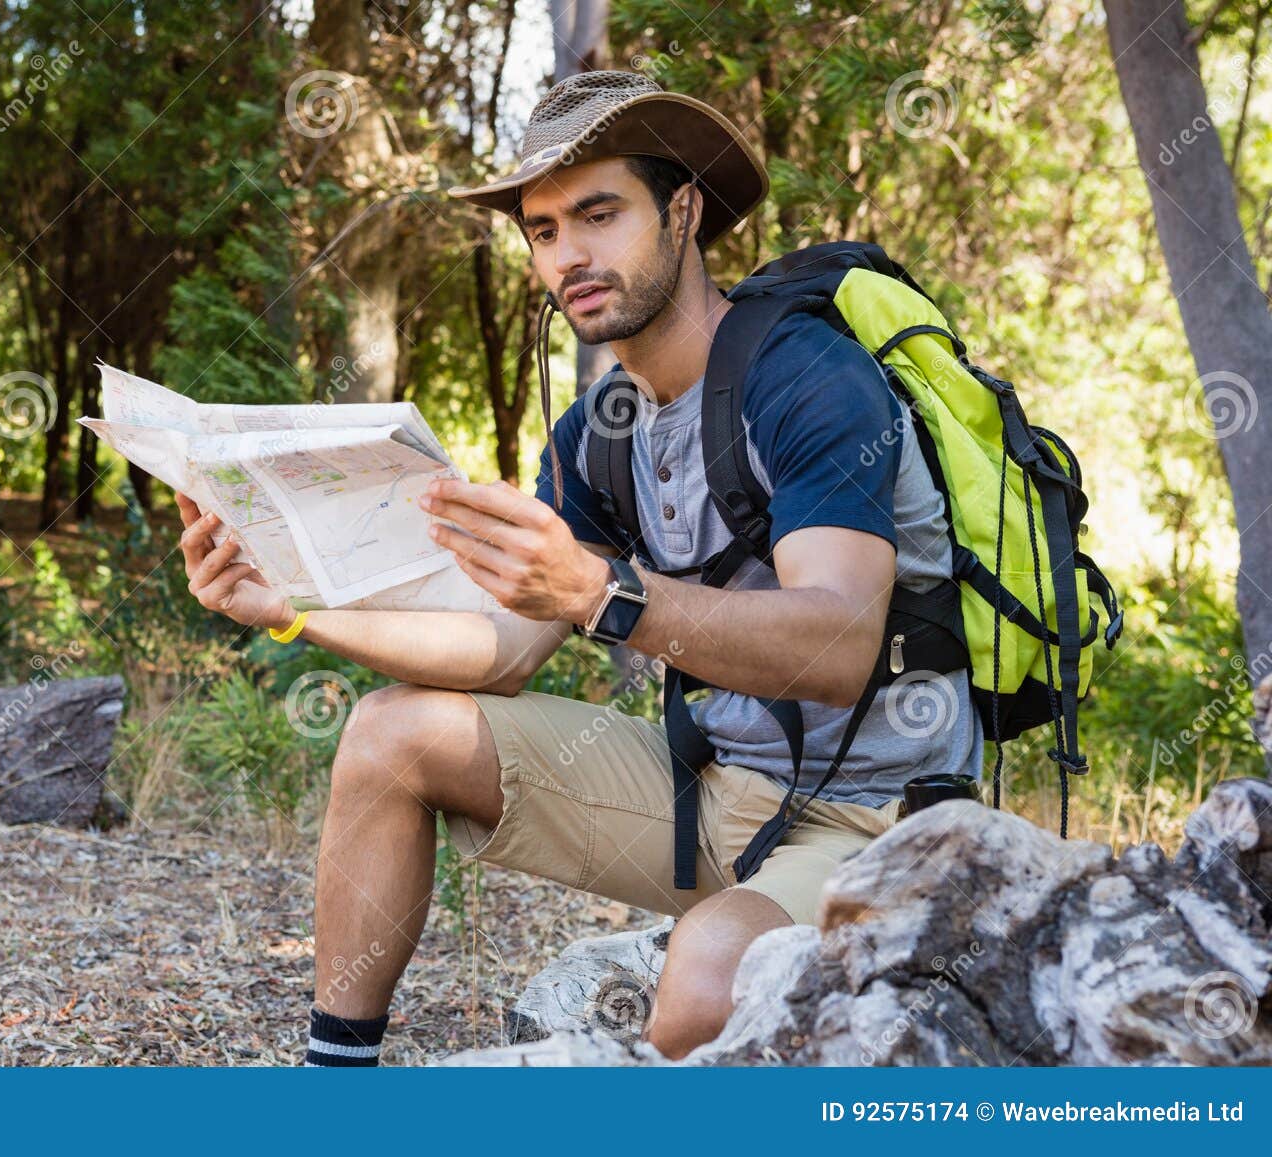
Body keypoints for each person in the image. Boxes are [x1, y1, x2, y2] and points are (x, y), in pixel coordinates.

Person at [176, 69, 983, 1065]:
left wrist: (606, 591)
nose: (569, 255)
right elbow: (503, 649)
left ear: (682, 210)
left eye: (599, 214)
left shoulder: (808, 378)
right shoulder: (601, 431)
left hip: (872, 817)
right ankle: (333, 1083)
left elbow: (838, 643)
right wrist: (289, 605)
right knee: (390, 732)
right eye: (544, 229)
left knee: (699, 989)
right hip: (715, 789)